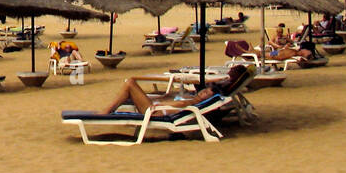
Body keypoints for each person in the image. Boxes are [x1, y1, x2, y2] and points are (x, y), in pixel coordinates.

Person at [102, 64, 249, 115]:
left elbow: (180, 105)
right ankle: (111, 109)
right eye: (204, 90)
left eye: (205, 93)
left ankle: (107, 111)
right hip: (159, 108)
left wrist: (161, 103)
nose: (202, 91)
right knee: (130, 89)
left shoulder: (192, 103)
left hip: (155, 113)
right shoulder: (195, 99)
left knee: (130, 82)